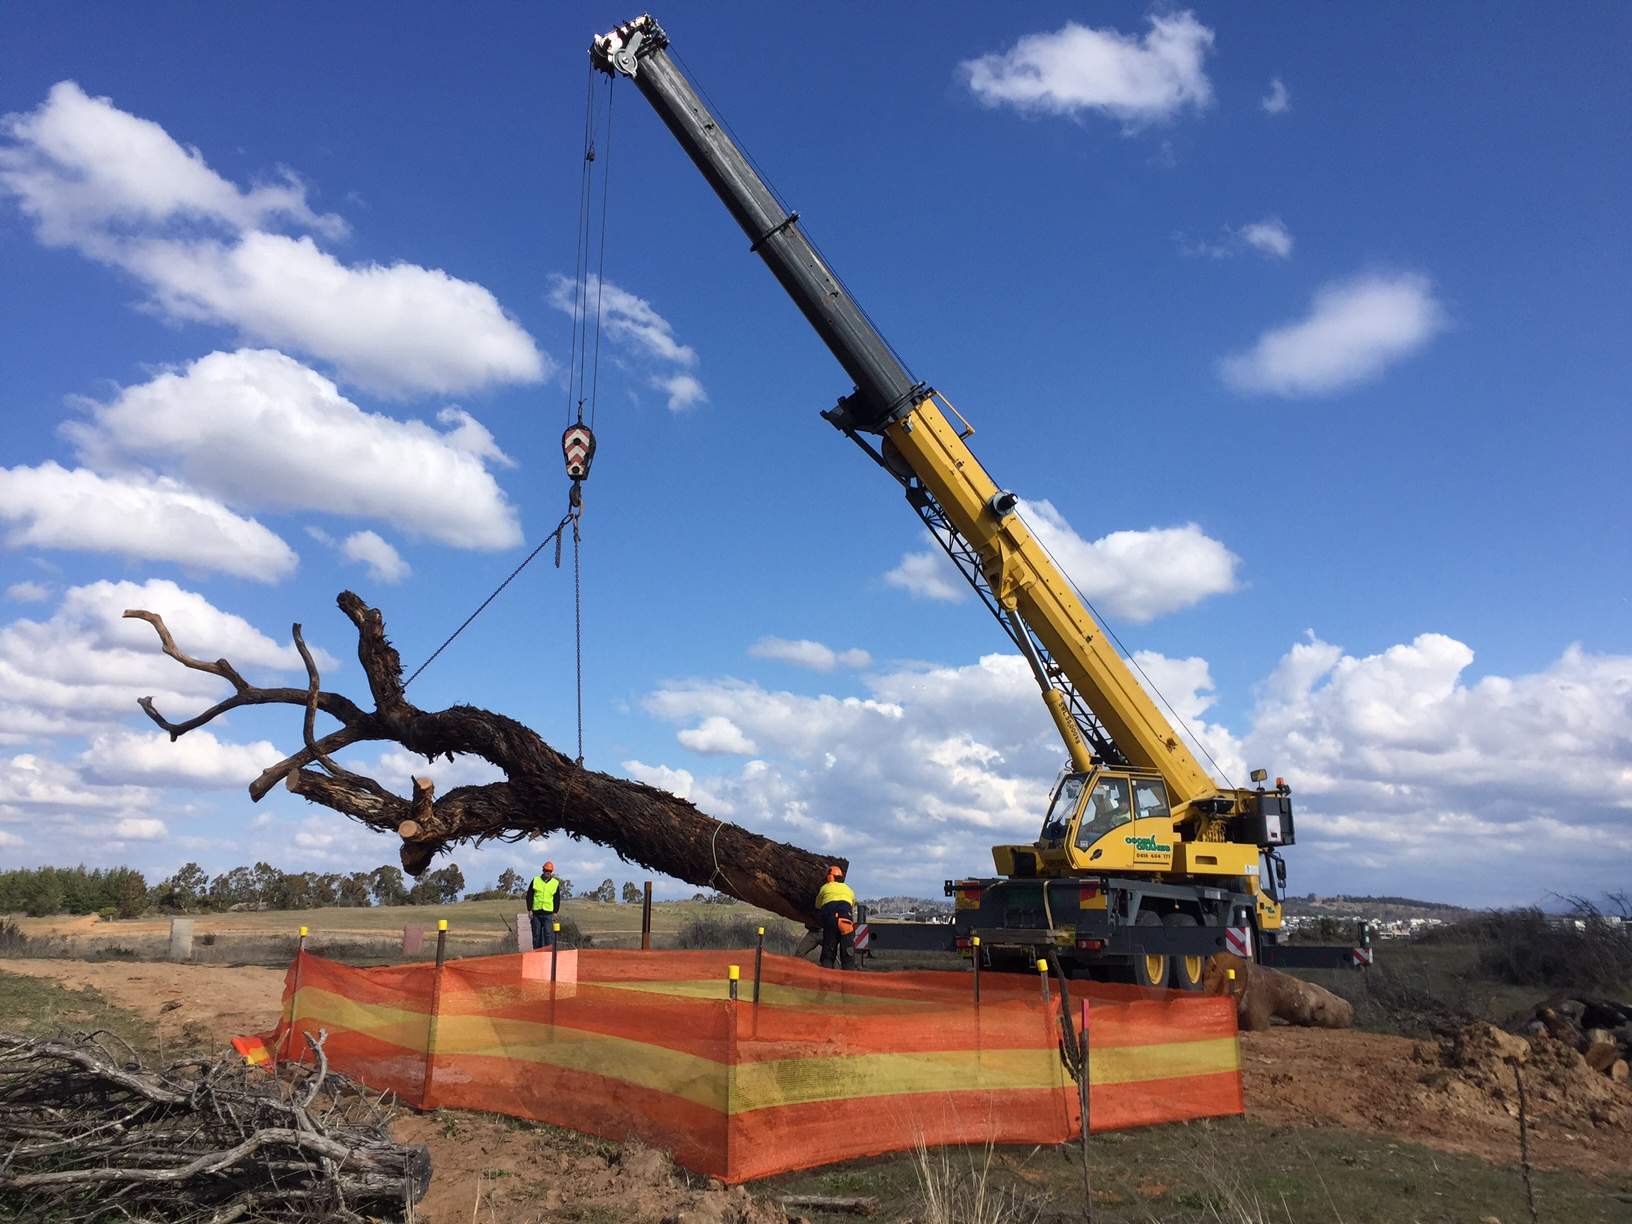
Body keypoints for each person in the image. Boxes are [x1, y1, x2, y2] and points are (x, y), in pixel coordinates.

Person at [815, 865, 857, 970]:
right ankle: (849, 976)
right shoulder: (848, 889)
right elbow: (852, 904)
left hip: (831, 921)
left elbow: (817, 905)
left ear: (830, 877)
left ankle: (827, 976)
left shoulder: (825, 887)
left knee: (828, 953)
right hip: (846, 921)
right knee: (848, 953)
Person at [527, 862, 562, 949]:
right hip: (536, 914)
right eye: (546, 870)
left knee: (548, 936)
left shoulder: (555, 883)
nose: (548, 872)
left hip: (548, 914)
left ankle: (548, 954)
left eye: (550, 871)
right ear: (543, 870)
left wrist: (555, 912)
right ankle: (537, 954)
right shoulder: (535, 880)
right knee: (536, 935)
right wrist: (529, 909)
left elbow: (557, 899)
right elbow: (529, 896)